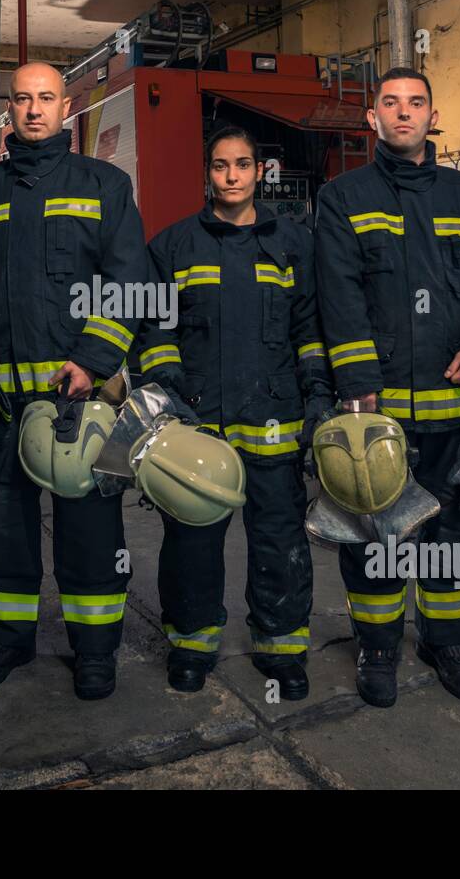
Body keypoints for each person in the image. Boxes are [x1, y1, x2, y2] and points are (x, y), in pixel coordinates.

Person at [0, 61, 147, 701]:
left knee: (89, 526)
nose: (33, 110)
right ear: (9, 111)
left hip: (78, 394)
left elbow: (128, 284)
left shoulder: (106, 184)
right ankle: (7, 640)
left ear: (66, 109)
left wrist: (93, 360)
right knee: (3, 523)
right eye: (22, 100)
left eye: (46, 98)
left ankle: (95, 650)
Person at [314, 67, 460, 707]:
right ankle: (377, 647)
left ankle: (446, 640)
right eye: (391, 103)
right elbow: (338, 298)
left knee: (454, 532)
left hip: (457, 409)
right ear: (372, 117)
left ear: (433, 115)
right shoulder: (343, 196)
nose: (404, 113)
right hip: (377, 418)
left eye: (417, 103)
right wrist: (358, 384)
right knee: (376, 535)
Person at [135, 126, 331, 698]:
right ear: (208, 173)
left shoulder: (296, 244)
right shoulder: (172, 247)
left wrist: (319, 393)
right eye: (220, 166)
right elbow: (155, 327)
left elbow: (309, 331)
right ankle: (192, 644)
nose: (231, 176)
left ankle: (283, 648)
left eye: (243, 164)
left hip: (276, 422)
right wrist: (170, 389)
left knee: (278, 539)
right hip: (198, 426)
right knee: (192, 541)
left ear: (259, 172)